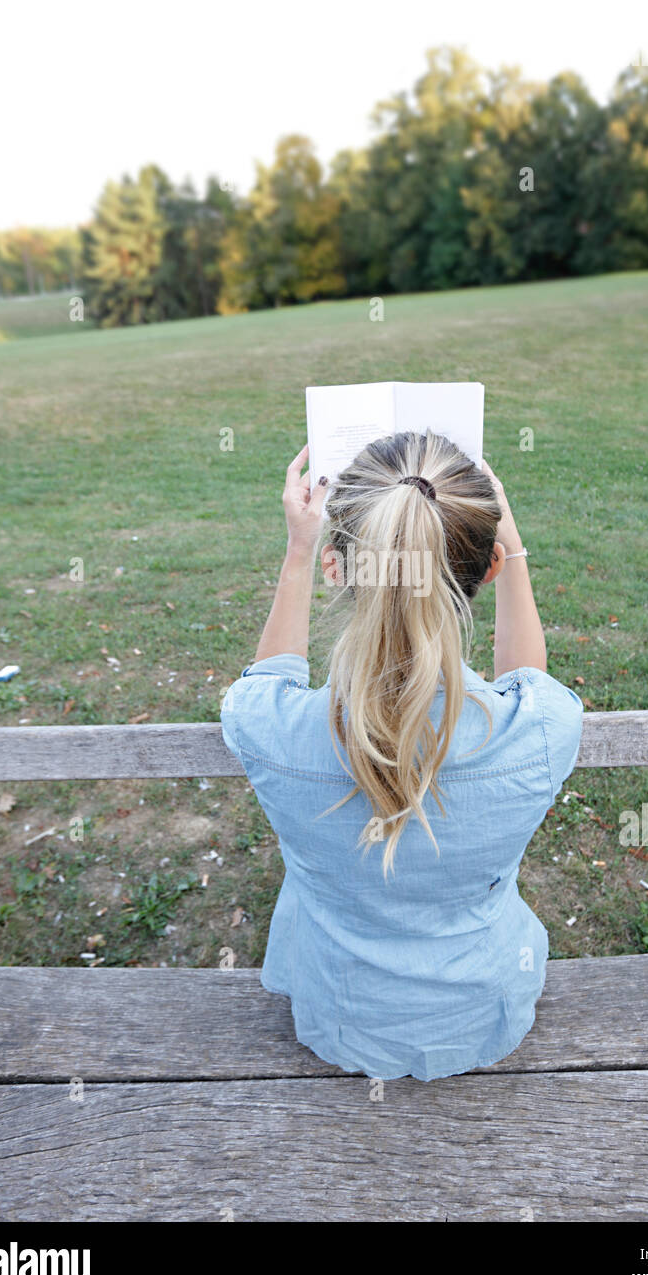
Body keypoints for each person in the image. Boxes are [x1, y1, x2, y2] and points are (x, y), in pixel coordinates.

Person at [220, 429, 583, 1081]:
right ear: (489, 567)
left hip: (339, 1017)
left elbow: (268, 677)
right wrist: (514, 547)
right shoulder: (544, 732)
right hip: (486, 1016)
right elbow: (528, 682)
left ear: (338, 568)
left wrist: (299, 551)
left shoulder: (268, 730)